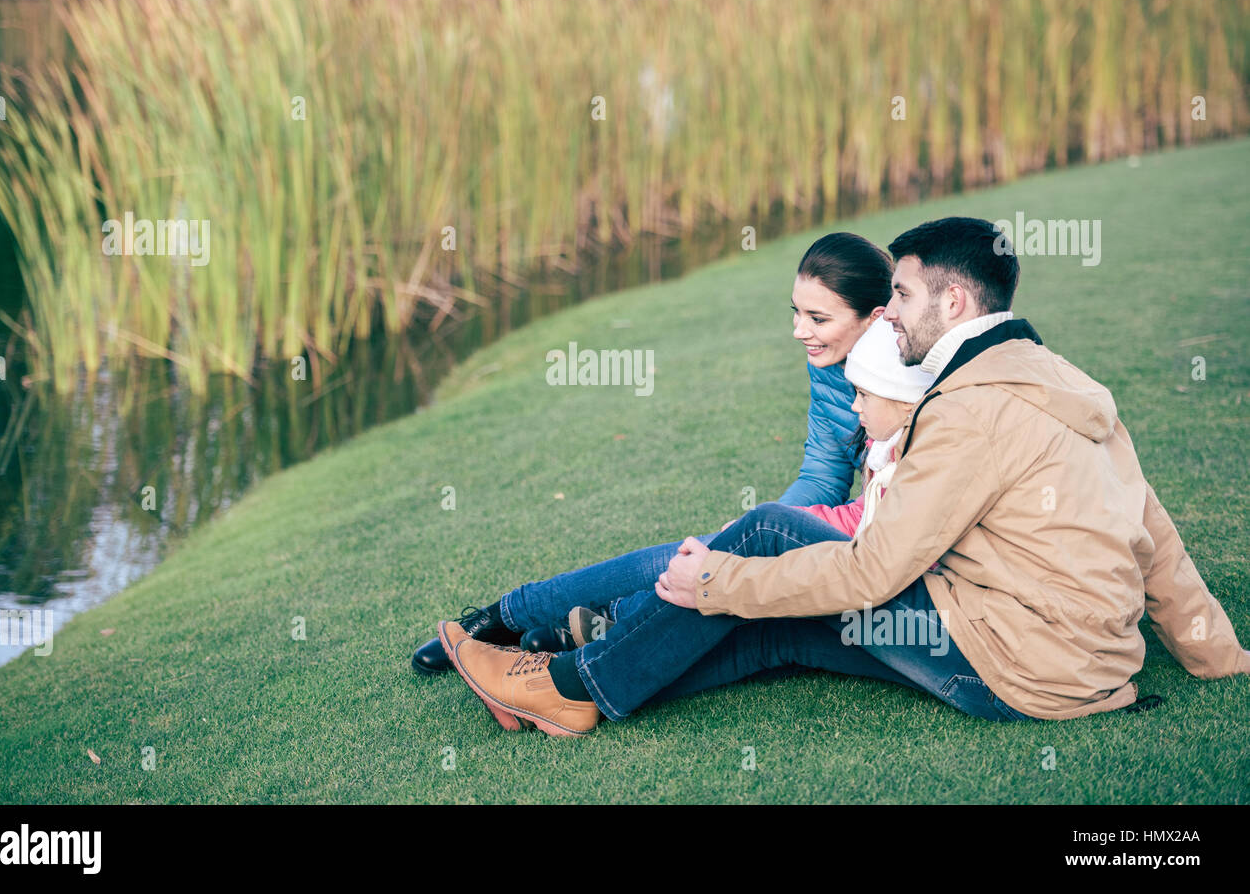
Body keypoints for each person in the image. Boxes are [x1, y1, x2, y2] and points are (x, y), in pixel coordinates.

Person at [442, 216, 1250, 735]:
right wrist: (1219, 654)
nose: (889, 310)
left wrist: (720, 578)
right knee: (784, 628)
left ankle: (563, 684)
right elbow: (1159, 538)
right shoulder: (1058, 377)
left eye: (900, 293)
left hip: (1017, 666)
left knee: (765, 535)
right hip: (1083, 661)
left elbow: (873, 569)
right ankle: (568, 685)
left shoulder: (969, 409)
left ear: (957, 300)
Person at [411, 231, 892, 673]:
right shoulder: (831, 366)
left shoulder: (910, 390)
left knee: (707, 561)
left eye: (818, 318)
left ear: (874, 319)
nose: (798, 330)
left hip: (876, 565)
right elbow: (824, 474)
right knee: (713, 554)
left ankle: (565, 620)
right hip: (846, 539)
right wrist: (771, 525)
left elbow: (880, 514)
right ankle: (522, 616)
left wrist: (761, 532)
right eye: (796, 312)